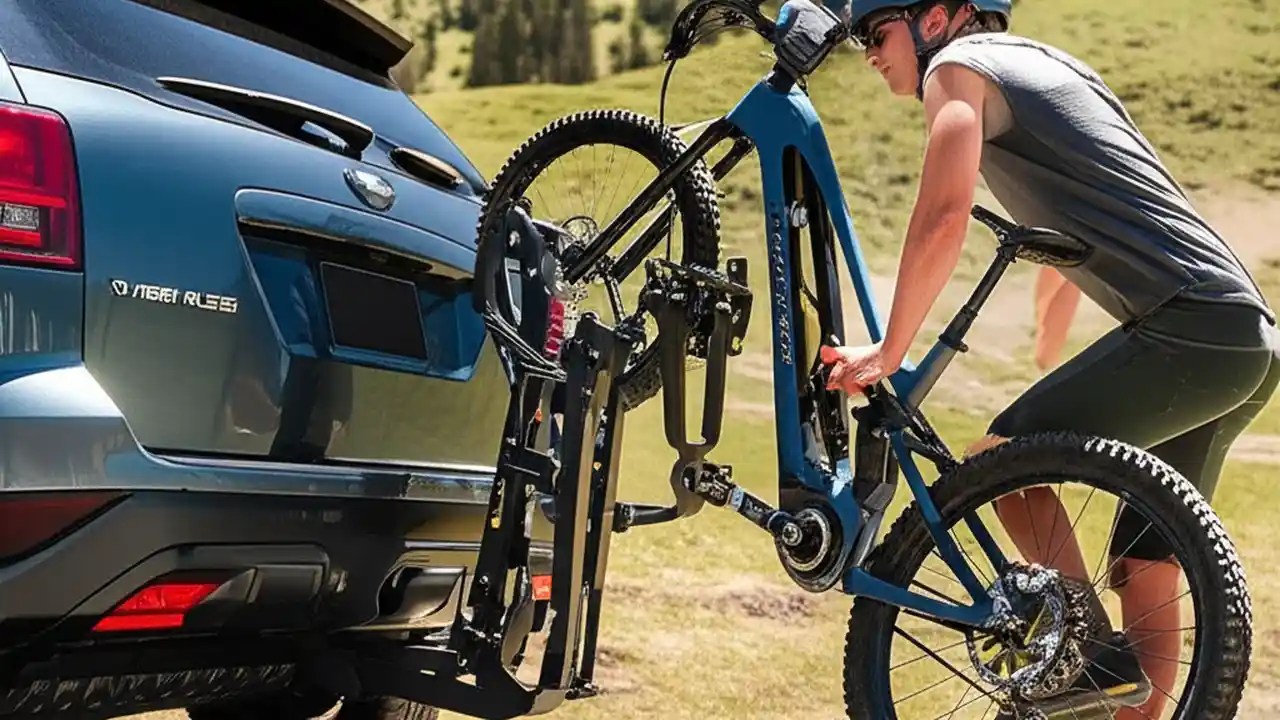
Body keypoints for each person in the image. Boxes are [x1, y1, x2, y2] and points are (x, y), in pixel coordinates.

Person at [820, 0, 1280, 716]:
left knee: (1005, 459)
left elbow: (945, 211)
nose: (868, 53)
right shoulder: (1054, 68)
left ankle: (1086, 653)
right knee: (1145, 562)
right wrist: (1047, 325)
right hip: (1245, 340)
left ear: (936, 18)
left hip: (1192, 330)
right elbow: (1104, 205)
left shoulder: (957, 68)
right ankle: (1119, 690)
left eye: (875, 34)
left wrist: (890, 348)